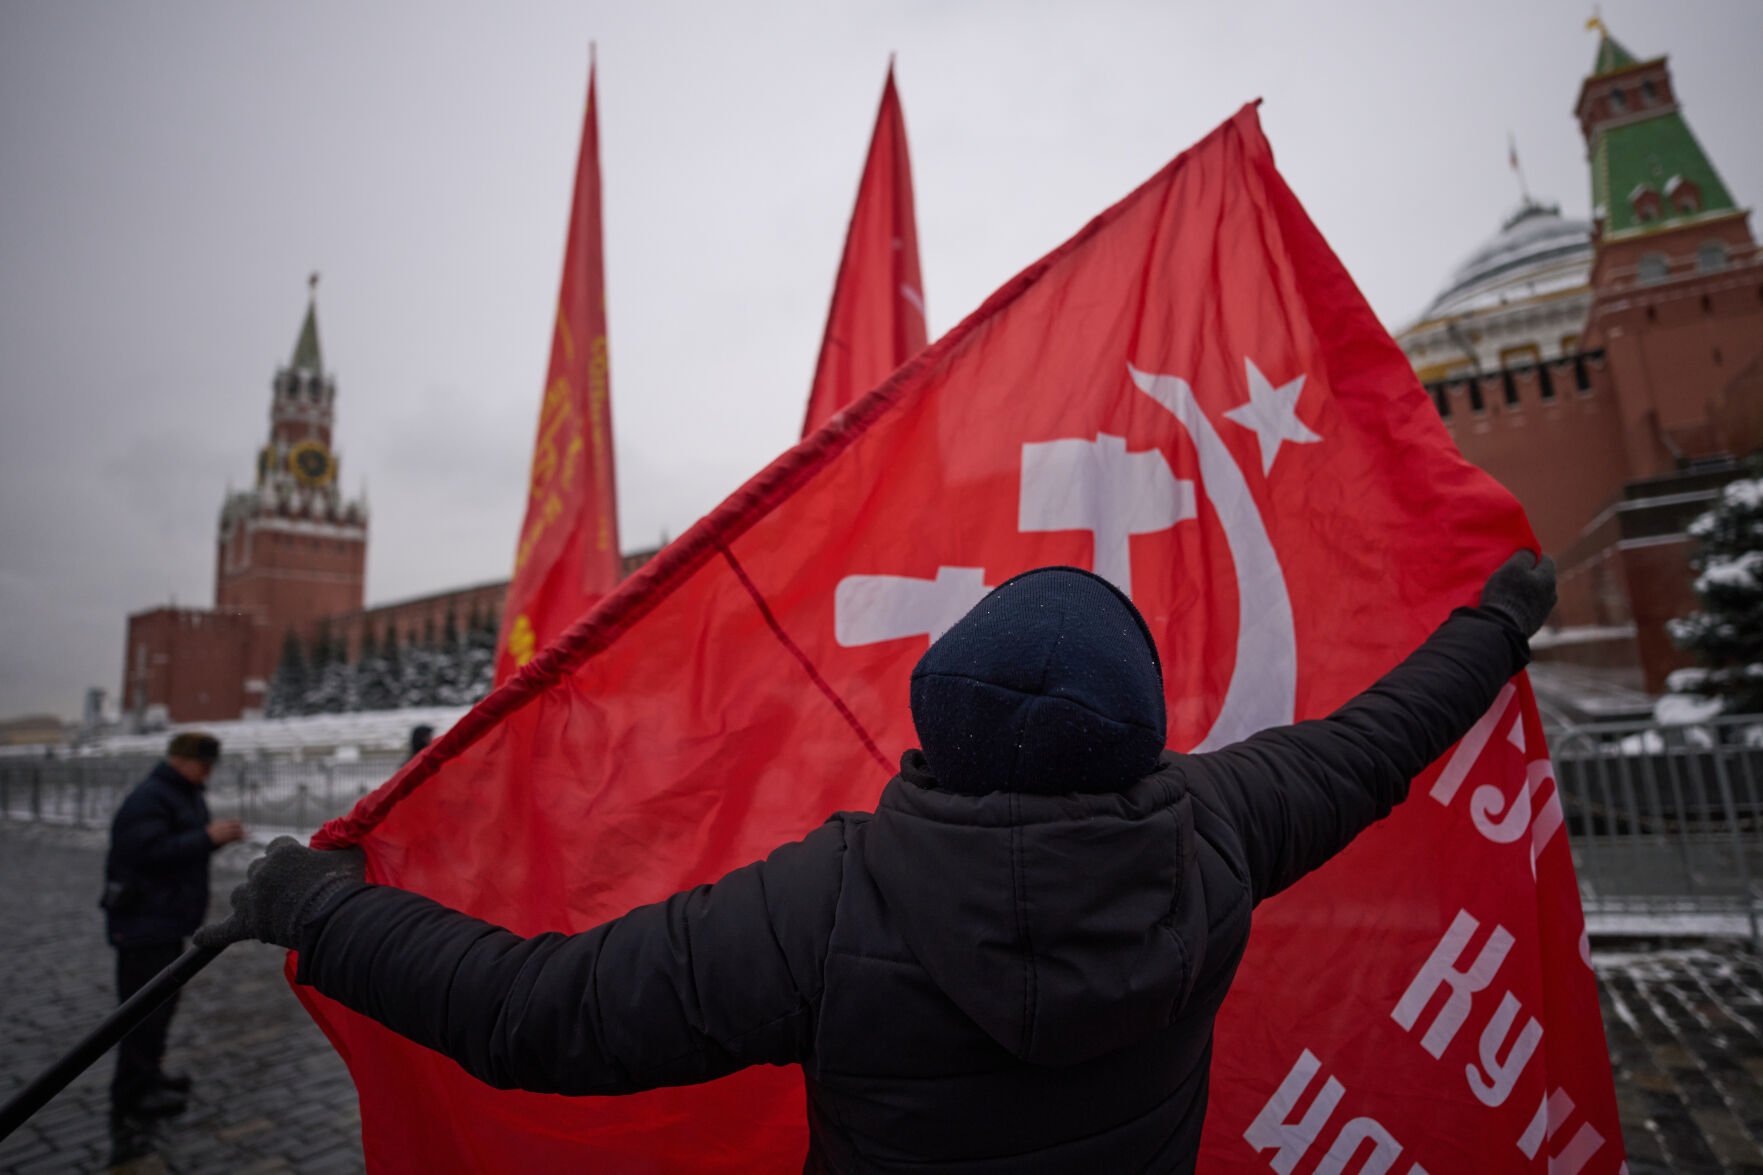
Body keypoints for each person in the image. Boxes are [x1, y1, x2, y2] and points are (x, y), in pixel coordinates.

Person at [199, 554, 1556, 1173]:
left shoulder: (827, 902)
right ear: (1141, 724)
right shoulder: (1222, 825)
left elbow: (536, 1013)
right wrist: (1496, 623)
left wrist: (315, 905)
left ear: (932, 712)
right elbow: (1381, 737)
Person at [103, 732, 244, 1152]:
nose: (208, 773)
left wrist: (209, 838)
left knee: (160, 1009)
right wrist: (207, 838)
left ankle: (150, 1077)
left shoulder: (181, 793)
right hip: (144, 921)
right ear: (181, 760)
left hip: (165, 919)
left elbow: (179, 847)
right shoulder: (150, 798)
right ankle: (133, 1094)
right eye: (204, 764)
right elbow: (144, 853)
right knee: (142, 1012)